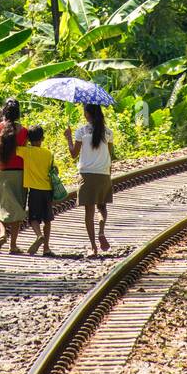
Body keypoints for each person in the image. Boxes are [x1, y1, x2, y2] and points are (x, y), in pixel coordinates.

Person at [65, 103, 115, 258]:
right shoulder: (108, 132)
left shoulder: (81, 131)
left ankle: (93, 247)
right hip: (103, 174)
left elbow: (74, 154)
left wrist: (68, 138)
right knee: (102, 207)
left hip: (87, 174)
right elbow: (111, 154)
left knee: (89, 212)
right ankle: (101, 232)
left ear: (87, 113)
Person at [0, 98, 28, 253]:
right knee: (18, 206)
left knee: (1, 204)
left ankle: (3, 233)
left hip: (0, 170)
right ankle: (13, 245)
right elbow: (24, 150)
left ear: (4, 111)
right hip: (19, 171)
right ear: (18, 113)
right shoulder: (23, 131)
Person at [18, 125, 55, 257]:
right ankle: (46, 248)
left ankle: (39, 235)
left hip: (34, 191)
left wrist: (24, 140)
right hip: (47, 190)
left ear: (29, 139)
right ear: (43, 138)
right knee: (47, 220)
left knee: (33, 218)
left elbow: (15, 149)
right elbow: (54, 170)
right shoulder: (48, 153)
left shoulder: (26, 151)